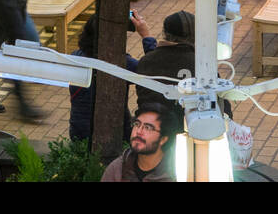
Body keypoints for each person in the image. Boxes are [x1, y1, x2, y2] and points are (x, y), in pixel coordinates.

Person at [69, 12, 156, 143]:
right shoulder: (122, 64)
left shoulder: (76, 56)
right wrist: (146, 36)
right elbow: (154, 70)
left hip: (79, 132)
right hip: (115, 133)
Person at [134, 11, 196, 112]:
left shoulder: (146, 61)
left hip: (149, 123)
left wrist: (146, 37)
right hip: (189, 123)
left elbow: (158, 60)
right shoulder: (201, 63)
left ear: (164, 33)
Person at [101, 107, 179, 182]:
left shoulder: (176, 173)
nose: (139, 131)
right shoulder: (118, 169)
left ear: (163, 139)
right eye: (137, 124)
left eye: (147, 127)